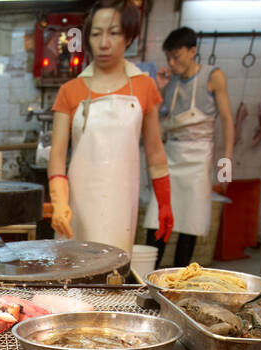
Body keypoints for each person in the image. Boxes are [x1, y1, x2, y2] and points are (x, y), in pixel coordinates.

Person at [48, 0, 172, 254]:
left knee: (113, 271)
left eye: (113, 33)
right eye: (96, 34)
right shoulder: (70, 91)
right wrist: (59, 202)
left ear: (128, 37)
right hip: (77, 204)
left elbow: (155, 152)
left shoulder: (144, 86)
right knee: (73, 275)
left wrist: (165, 202)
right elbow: (58, 154)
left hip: (122, 202)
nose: (104, 43)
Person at [143, 27, 235, 268]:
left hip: (198, 159)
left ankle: (178, 281)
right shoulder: (168, 79)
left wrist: (226, 161)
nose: (172, 63)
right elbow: (150, 115)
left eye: (177, 57)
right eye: (168, 58)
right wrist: (159, 86)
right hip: (170, 156)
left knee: (189, 224)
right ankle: (146, 275)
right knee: (156, 221)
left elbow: (226, 119)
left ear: (192, 51)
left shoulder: (213, 77)